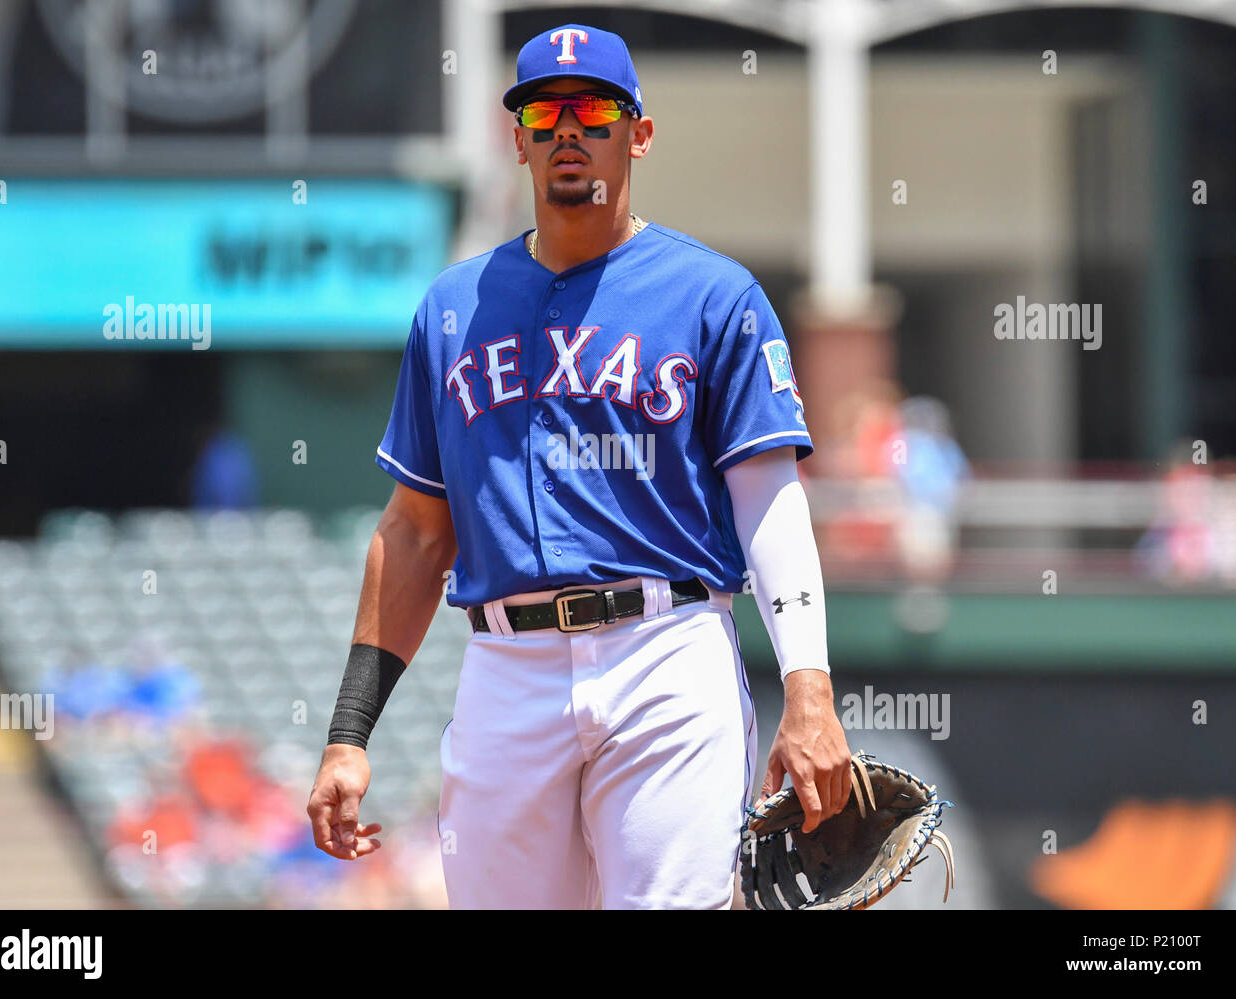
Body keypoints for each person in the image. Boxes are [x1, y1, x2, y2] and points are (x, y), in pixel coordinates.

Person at [306, 22, 850, 909]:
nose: (569, 129)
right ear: (515, 137)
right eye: (544, 111)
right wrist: (347, 734)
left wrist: (811, 690)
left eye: (594, 110)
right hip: (505, 666)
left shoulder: (715, 296)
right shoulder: (451, 310)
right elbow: (413, 532)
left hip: (665, 651)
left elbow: (771, 505)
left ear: (637, 132)